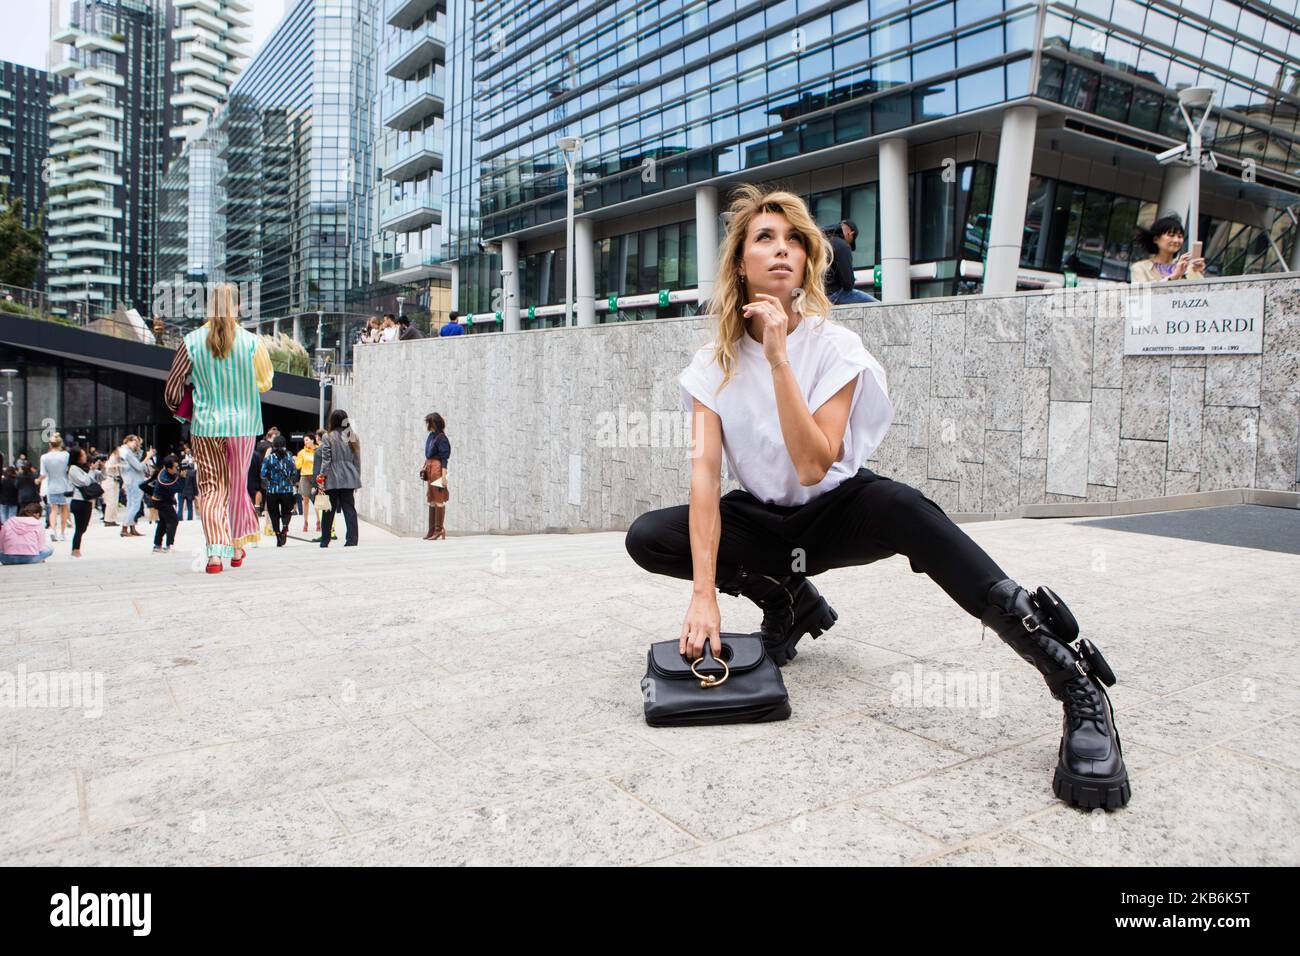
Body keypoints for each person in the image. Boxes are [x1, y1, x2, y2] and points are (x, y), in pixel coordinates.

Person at [624, 184, 1130, 812]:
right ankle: (789, 600)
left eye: (794, 242)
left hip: (836, 510)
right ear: (740, 263)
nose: (781, 251)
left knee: (907, 510)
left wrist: (780, 357)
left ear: (808, 260)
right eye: (764, 239)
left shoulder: (838, 349)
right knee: (651, 535)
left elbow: (813, 465)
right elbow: (704, 474)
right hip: (762, 520)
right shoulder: (711, 364)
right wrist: (703, 593)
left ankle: (1073, 682)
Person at [164, 282, 274, 573]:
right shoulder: (253, 343)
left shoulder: (190, 341)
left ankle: (215, 555)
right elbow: (265, 382)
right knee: (238, 487)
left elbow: (173, 388)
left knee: (212, 490)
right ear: (238, 307)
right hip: (243, 426)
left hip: (205, 426)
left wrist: (181, 409)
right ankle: (237, 549)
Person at [315, 409, 361, 548]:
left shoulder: (327, 437)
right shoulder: (352, 437)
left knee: (329, 510)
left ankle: (325, 540)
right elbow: (357, 460)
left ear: (332, 421)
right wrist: (357, 478)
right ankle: (352, 540)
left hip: (333, 477)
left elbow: (326, 459)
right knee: (349, 509)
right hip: (349, 477)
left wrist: (322, 475)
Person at [1130, 213, 1206, 283]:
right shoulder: (1140, 268)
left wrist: (1196, 272)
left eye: (1180, 236)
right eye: (1171, 235)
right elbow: (1143, 295)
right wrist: (1173, 277)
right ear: (1156, 239)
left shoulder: (1186, 268)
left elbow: (1198, 293)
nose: (1176, 240)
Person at [822, 219, 877, 304]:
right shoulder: (842, 245)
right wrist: (852, 280)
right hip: (833, 294)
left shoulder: (821, 241)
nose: (849, 243)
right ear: (850, 234)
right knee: (878, 304)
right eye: (851, 241)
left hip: (818, 295)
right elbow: (848, 285)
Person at [260, 434, 300, 547]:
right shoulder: (289, 457)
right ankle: (285, 526)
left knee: (274, 514)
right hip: (287, 490)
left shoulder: (269, 458)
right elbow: (294, 473)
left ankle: (278, 535)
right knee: (287, 511)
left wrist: (270, 477)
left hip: (272, 490)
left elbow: (263, 474)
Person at [65, 445, 103, 558]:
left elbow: (100, 478)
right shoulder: (73, 469)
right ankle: (75, 550)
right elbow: (85, 482)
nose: (85, 456)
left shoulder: (84, 467)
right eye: (82, 455)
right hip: (78, 501)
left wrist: (103, 468)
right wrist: (92, 471)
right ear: (77, 457)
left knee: (83, 527)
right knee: (80, 527)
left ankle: (76, 549)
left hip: (86, 501)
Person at [145, 454, 182, 553]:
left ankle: (157, 545)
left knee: (163, 522)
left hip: (161, 500)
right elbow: (178, 488)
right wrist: (182, 477)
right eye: (175, 467)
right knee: (173, 521)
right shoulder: (164, 479)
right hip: (161, 501)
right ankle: (169, 545)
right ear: (168, 468)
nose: (177, 469)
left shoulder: (166, 472)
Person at [422, 412, 450, 540]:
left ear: (435, 423)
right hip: (430, 468)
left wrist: (444, 477)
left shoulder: (441, 438)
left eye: (430, 422)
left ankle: (439, 530)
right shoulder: (431, 436)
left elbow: (444, 459)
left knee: (439, 500)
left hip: (438, 470)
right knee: (432, 500)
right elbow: (428, 455)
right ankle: (432, 530)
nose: (428, 425)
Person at [38, 435, 72, 542]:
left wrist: (38, 480)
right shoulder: (66, 455)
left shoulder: (44, 457)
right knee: (64, 509)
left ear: (50, 444)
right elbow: (69, 469)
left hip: (51, 485)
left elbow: (43, 474)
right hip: (65, 485)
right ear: (60, 444)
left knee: (53, 509)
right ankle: (62, 533)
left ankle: (53, 530)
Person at [118, 435, 150, 537]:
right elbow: (139, 467)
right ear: (129, 441)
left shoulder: (123, 451)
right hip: (135, 480)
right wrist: (148, 456)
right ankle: (125, 527)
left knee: (130, 504)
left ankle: (131, 527)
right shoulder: (127, 452)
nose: (137, 444)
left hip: (129, 480)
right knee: (135, 505)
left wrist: (138, 451)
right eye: (135, 442)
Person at [294, 433, 319, 533]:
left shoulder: (318, 450)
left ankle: (319, 521)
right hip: (305, 476)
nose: (306, 442)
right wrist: (296, 460)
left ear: (313, 440)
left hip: (316, 477)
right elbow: (298, 466)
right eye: (304, 440)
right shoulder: (302, 452)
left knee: (317, 500)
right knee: (305, 500)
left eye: (307, 440)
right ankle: (305, 521)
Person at [100, 446, 120, 526]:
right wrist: (117, 465)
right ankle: (108, 520)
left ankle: (112, 519)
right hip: (109, 480)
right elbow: (107, 466)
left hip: (115, 480)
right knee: (110, 501)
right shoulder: (112, 458)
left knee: (115, 501)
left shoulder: (117, 459)